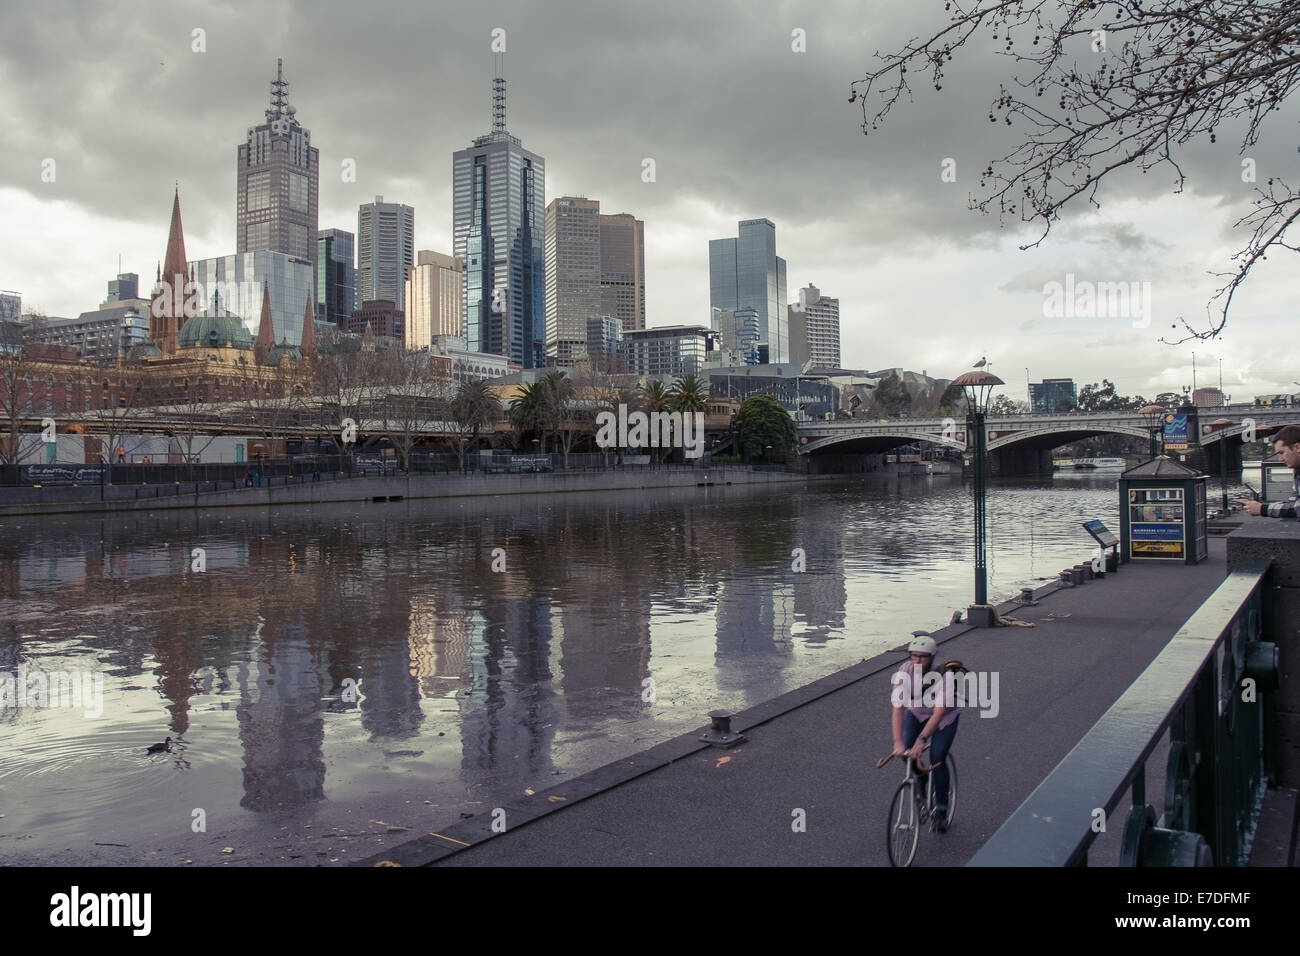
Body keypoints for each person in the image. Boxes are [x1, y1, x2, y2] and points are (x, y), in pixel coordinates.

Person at [890, 632, 959, 832]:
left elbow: (938, 713)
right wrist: (898, 742)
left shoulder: (944, 674)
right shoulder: (904, 671)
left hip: (944, 717)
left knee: (937, 756)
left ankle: (941, 809)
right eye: (914, 656)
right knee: (906, 753)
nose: (918, 660)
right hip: (918, 711)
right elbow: (898, 709)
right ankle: (921, 779)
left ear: (932, 657)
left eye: (923, 656)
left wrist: (921, 740)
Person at [1242, 424, 1300, 518]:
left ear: (1297, 447)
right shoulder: (1297, 470)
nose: (1280, 459)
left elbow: (1297, 508)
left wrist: (1262, 509)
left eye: (1282, 453)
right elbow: (1293, 502)